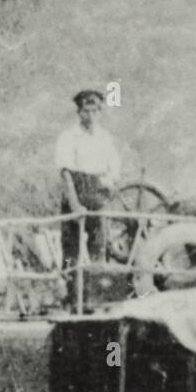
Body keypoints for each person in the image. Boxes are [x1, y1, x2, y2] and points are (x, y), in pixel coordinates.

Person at [55, 89, 123, 268]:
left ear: (100, 112)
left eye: (95, 111)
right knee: (71, 251)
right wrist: (75, 204)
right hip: (75, 193)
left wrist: (108, 183)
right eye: (86, 111)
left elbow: (114, 166)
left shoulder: (105, 137)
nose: (91, 116)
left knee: (99, 245)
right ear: (79, 113)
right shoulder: (69, 136)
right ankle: (71, 293)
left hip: (98, 196)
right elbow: (66, 174)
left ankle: (96, 289)